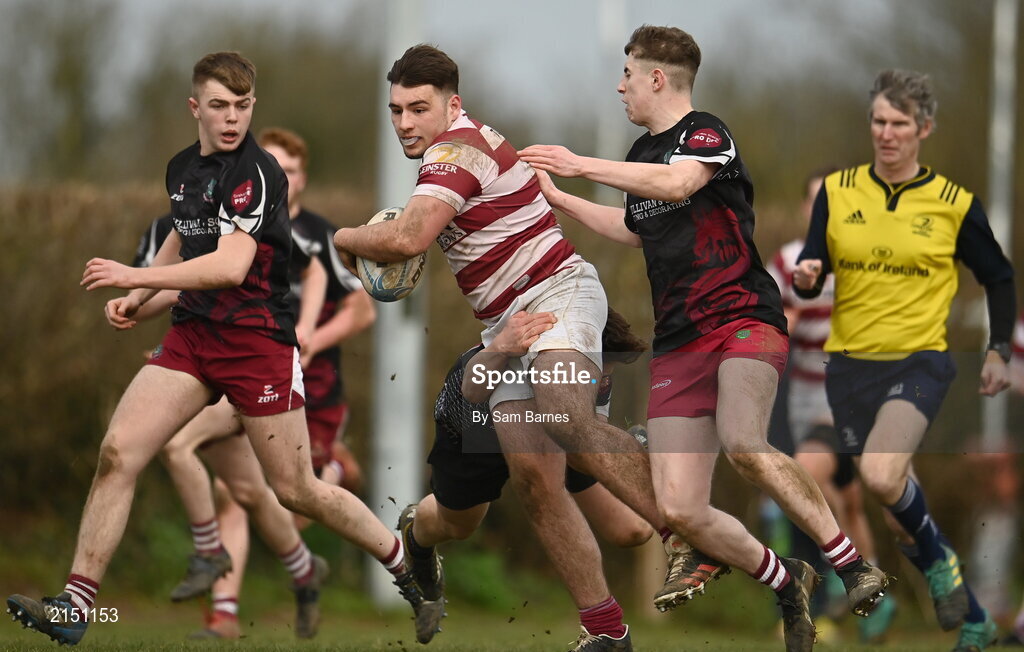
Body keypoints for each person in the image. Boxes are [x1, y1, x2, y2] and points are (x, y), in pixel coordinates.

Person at [5, 51, 438, 647]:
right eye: (219, 106)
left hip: (257, 344)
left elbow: (230, 267)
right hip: (193, 339)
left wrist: (133, 281)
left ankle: (402, 566)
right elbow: (181, 246)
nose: (232, 118)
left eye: (242, 106)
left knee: (295, 490)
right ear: (195, 108)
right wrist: (135, 299)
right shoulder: (182, 168)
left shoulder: (257, 172)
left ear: (251, 106)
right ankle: (76, 607)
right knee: (117, 452)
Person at [334, 44, 720, 652]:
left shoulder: (455, 152)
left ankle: (686, 533)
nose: (405, 122)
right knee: (536, 480)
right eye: (395, 110)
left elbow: (409, 238)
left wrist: (345, 237)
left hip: (558, 297)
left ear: (452, 104)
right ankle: (606, 633)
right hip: (507, 333)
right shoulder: (450, 150)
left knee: (565, 417)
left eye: (418, 108)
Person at [518, 24, 889, 651]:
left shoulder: (705, 134)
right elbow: (639, 227)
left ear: (657, 78)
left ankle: (851, 563)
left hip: (741, 318)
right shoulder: (639, 155)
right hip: (679, 339)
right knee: (679, 511)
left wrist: (578, 162)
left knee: (744, 442)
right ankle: (785, 576)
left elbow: (679, 184)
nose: (620, 85)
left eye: (628, 74)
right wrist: (563, 198)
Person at [793, 68, 1015, 652]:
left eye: (899, 123)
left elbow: (999, 276)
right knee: (895, 510)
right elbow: (812, 270)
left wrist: (996, 351)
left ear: (925, 128)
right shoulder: (838, 192)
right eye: (878, 121)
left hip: (919, 361)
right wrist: (808, 275)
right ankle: (974, 619)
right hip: (848, 369)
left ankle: (941, 565)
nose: (886, 133)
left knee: (881, 474)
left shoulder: (953, 203)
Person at [162, 127, 376, 640]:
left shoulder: (320, 236)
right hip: (240, 376)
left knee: (284, 496)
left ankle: (307, 559)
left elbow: (362, 308)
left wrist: (310, 338)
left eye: (292, 167)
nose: (280, 173)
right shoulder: (224, 223)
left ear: (301, 178)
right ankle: (227, 615)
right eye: (272, 162)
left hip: (309, 389)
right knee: (232, 491)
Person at [131, 210, 333, 641]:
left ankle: (209, 555)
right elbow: (164, 290)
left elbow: (313, 271)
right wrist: (133, 306)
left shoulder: (259, 222)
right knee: (248, 491)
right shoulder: (168, 227)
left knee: (179, 447)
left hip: (251, 368)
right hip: (200, 369)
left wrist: (307, 330)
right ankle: (303, 570)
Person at [400, 307, 655, 645]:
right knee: (458, 526)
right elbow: (475, 387)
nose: (601, 381)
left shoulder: (594, 369)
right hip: (478, 430)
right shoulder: (524, 350)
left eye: (604, 374)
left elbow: (588, 441)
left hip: (555, 434)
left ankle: (604, 630)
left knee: (633, 529)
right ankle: (416, 538)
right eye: (596, 371)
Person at [768, 169, 895, 643]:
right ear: (807, 210)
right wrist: (786, 318)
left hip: (850, 396)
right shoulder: (786, 262)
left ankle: (816, 600)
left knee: (803, 477)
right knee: (845, 500)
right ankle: (871, 593)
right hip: (797, 397)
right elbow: (766, 322)